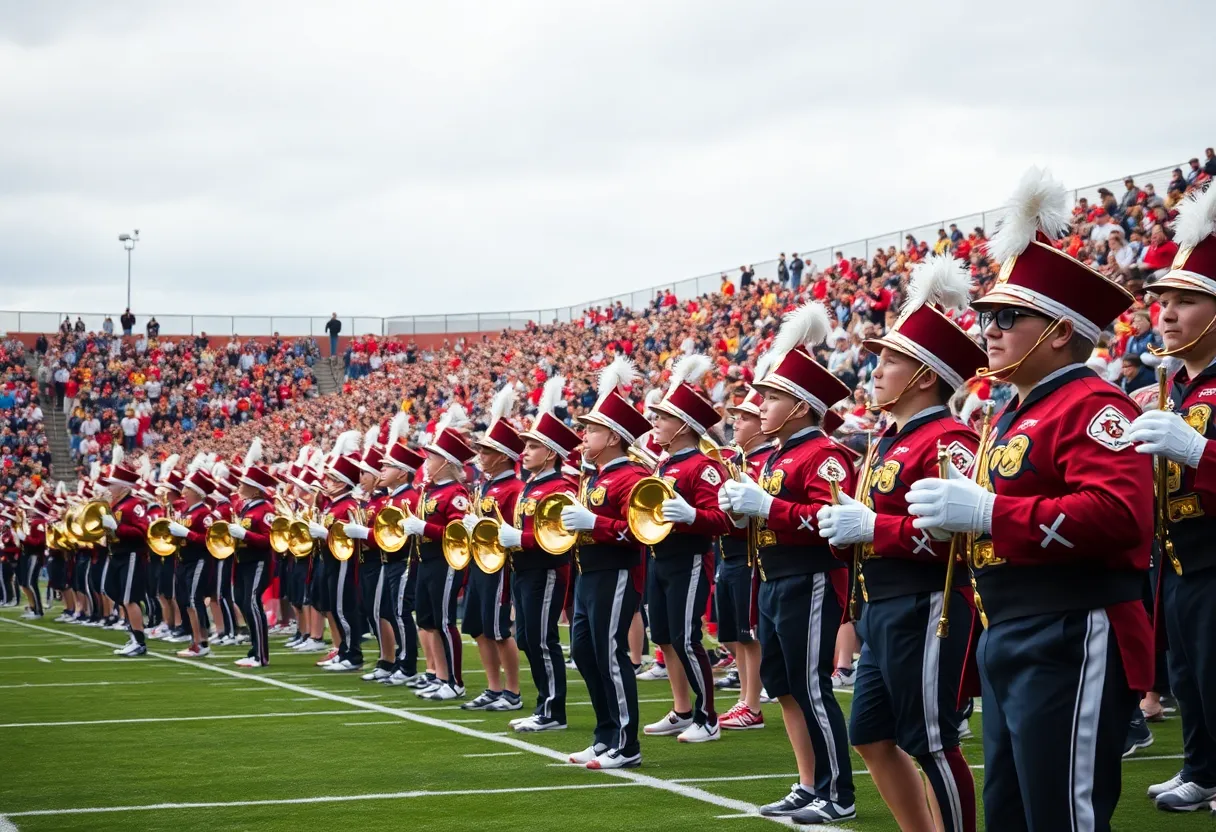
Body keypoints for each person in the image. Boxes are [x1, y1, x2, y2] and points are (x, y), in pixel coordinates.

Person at [906, 168, 1153, 832]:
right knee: (1011, 813)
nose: (989, 330)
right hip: (1014, 628)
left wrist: (990, 513)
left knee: (1061, 816)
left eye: (1008, 318)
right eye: (987, 316)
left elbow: (1122, 514)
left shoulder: (1094, 404)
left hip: (1073, 624)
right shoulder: (1012, 413)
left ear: (1061, 331)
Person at [818, 254, 985, 832]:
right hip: (883, 605)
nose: (876, 371)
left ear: (924, 374)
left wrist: (872, 529)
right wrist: (846, 532)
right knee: (870, 734)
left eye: (890, 361)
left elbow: (960, 540)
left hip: (926, 603)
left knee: (931, 742)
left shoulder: (949, 438)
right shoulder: (889, 441)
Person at [720, 301, 857, 825]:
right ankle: (808, 783)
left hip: (812, 577)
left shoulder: (823, 453)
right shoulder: (778, 455)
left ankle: (837, 791)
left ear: (800, 405)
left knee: (812, 685)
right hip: (776, 578)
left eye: (773, 397)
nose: (762, 405)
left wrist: (767, 507)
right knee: (786, 687)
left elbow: (829, 519)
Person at [1126, 183, 1216, 812]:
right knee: (1188, 673)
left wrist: (1198, 452)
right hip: (1178, 558)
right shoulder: (1171, 389)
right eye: (1163, 302)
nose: (1168, 313)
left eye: (1186, 301)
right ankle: (1201, 767)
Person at [560, 368, 653, 769]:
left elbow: (642, 531)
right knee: (585, 651)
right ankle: (605, 734)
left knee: (610, 655)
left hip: (615, 572)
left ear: (613, 436)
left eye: (591, 430)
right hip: (589, 572)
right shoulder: (595, 477)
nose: (583, 436)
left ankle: (626, 742)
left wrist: (592, 524)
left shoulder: (631, 476)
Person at [644, 354, 731, 744]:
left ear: (683, 425)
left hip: (690, 558)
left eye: (663, 418)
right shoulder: (663, 465)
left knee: (685, 637)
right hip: (661, 557)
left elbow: (723, 520)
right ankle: (681, 709)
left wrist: (692, 515)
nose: (656, 424)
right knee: (662, 636)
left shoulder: (704, 465)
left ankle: (707, 716)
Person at [503, 375, 582, 732]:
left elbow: (559, 536)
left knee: (541, 638)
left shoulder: (560, 486)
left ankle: (553, 710)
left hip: (547, 568)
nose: (524, 451)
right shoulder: (533, 485)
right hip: (524, 569)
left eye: (532, 446)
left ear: (550, 452)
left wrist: (518, 536)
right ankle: (543, 705)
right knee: (527, 638)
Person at [715, 364, 777, 731]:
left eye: (744, 417)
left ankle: (750, 702)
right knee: (733, 634)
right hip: (729, 552)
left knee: (747, 633)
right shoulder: (737, 460)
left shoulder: (762, 461)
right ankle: (746, 695)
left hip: (750, 555)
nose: (736, 422)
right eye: (735, 417)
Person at [461, 386, 525, 712]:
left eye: (486, 451)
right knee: (477, 628)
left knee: (499, 629)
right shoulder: (485, 485)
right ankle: (493, 686)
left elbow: (515, 529)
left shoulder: (514, 487)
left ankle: (512, 691)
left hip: (500, 565)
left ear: (502, 455)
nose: (479, 455)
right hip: (478, 562)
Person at [406, 408, 476, 701]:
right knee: (426, 619)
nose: (426, 461)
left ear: (446, 463)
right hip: (425, 560)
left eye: (432, 457)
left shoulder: (455, 492)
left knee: (445, 620)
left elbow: (459, 533)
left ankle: (454, 680)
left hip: (446, 560)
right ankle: (439, 675)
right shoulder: (430, 491)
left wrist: (424, 528)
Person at [226, 447, 276, 668]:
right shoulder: (247, 507)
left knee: (252, 602)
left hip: (258, 561)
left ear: (255, 489)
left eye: (244, 484)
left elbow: (268, 539)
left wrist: (244, 534)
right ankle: (254, 648)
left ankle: (261, 655)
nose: (239, 486)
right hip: (243, 561)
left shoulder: (265, 509)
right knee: (242, 601)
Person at [99, 459, 153, 657]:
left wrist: (117, 527)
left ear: (123, 486)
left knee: (130, 599)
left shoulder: (135, 503)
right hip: (117, 554)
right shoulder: (115, 505)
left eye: (111, 483)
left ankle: (139, 641)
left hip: (132, 555)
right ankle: (133, 635)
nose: (109, 487)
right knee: (116, 593)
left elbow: (143, 531)